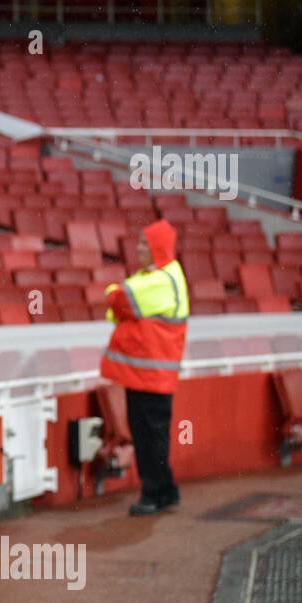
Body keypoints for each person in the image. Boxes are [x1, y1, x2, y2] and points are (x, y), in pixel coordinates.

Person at [100, 219, 189, 516]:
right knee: (154, 438)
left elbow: (119, 298)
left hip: (151, 377)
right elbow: (119, 309)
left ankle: (153, 494)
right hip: (148, 376)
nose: (138, 249)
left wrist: (113, 291)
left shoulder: (163, 279)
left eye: (143, 244)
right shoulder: (162, 275)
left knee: (149, 439)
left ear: (157, 248)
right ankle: (165, 490)